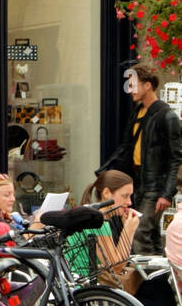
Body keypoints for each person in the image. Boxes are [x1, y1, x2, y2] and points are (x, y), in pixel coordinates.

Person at [97, 61, 182, 255]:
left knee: (139, 232)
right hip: (139, 182)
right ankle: (159, 280)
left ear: (147, 85)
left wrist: (167, 193)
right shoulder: (138, 113)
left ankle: (145, 282)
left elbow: (176, 158)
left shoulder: (167, 116)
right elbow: (127, 147)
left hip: (156, 186)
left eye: (134, 85)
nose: (130, 90)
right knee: (150, 235)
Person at [70, 170, 139, 286]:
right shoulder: (98, 222)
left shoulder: (94, 216)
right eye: (125, 196)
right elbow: (115, 267)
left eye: (130, 196)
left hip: (80, 284)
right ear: (106, 193)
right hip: (85, 289)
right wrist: (129, 229)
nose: (129, 202)